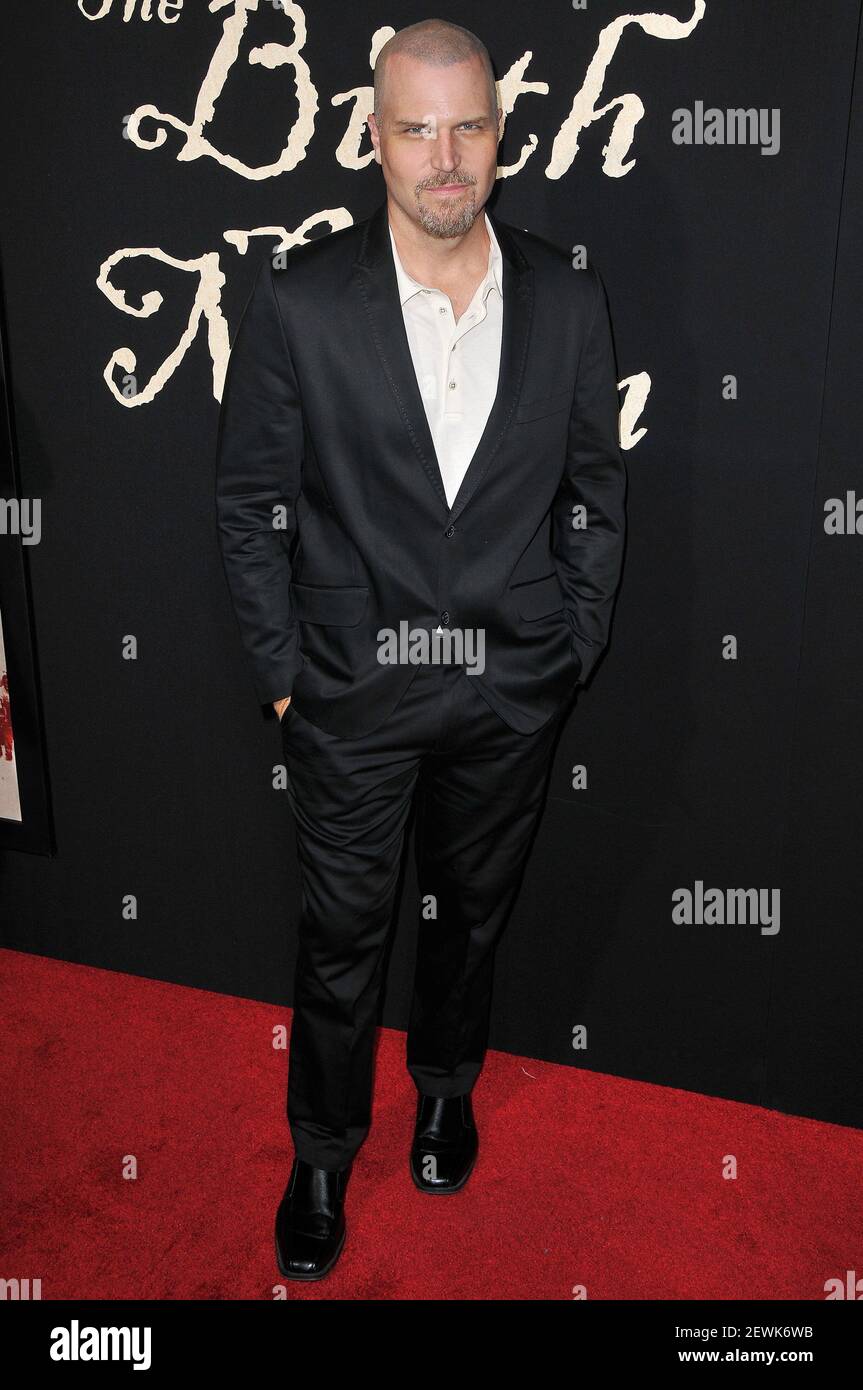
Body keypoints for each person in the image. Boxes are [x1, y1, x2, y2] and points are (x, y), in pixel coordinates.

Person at [215, 17, 626, 1281]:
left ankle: (445, 1086)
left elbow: (594, 494)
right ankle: (324, 1152)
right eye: (415, 129)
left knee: (469, 922)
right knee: (341, 938)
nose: (444, 159)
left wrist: (568, 649)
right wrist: (289, 680)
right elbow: (249, 503)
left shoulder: (564, 291)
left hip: (509, 690)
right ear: (373, 138)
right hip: (351, 696)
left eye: (468, 127)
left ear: (499, 133)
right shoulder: (298, 298)